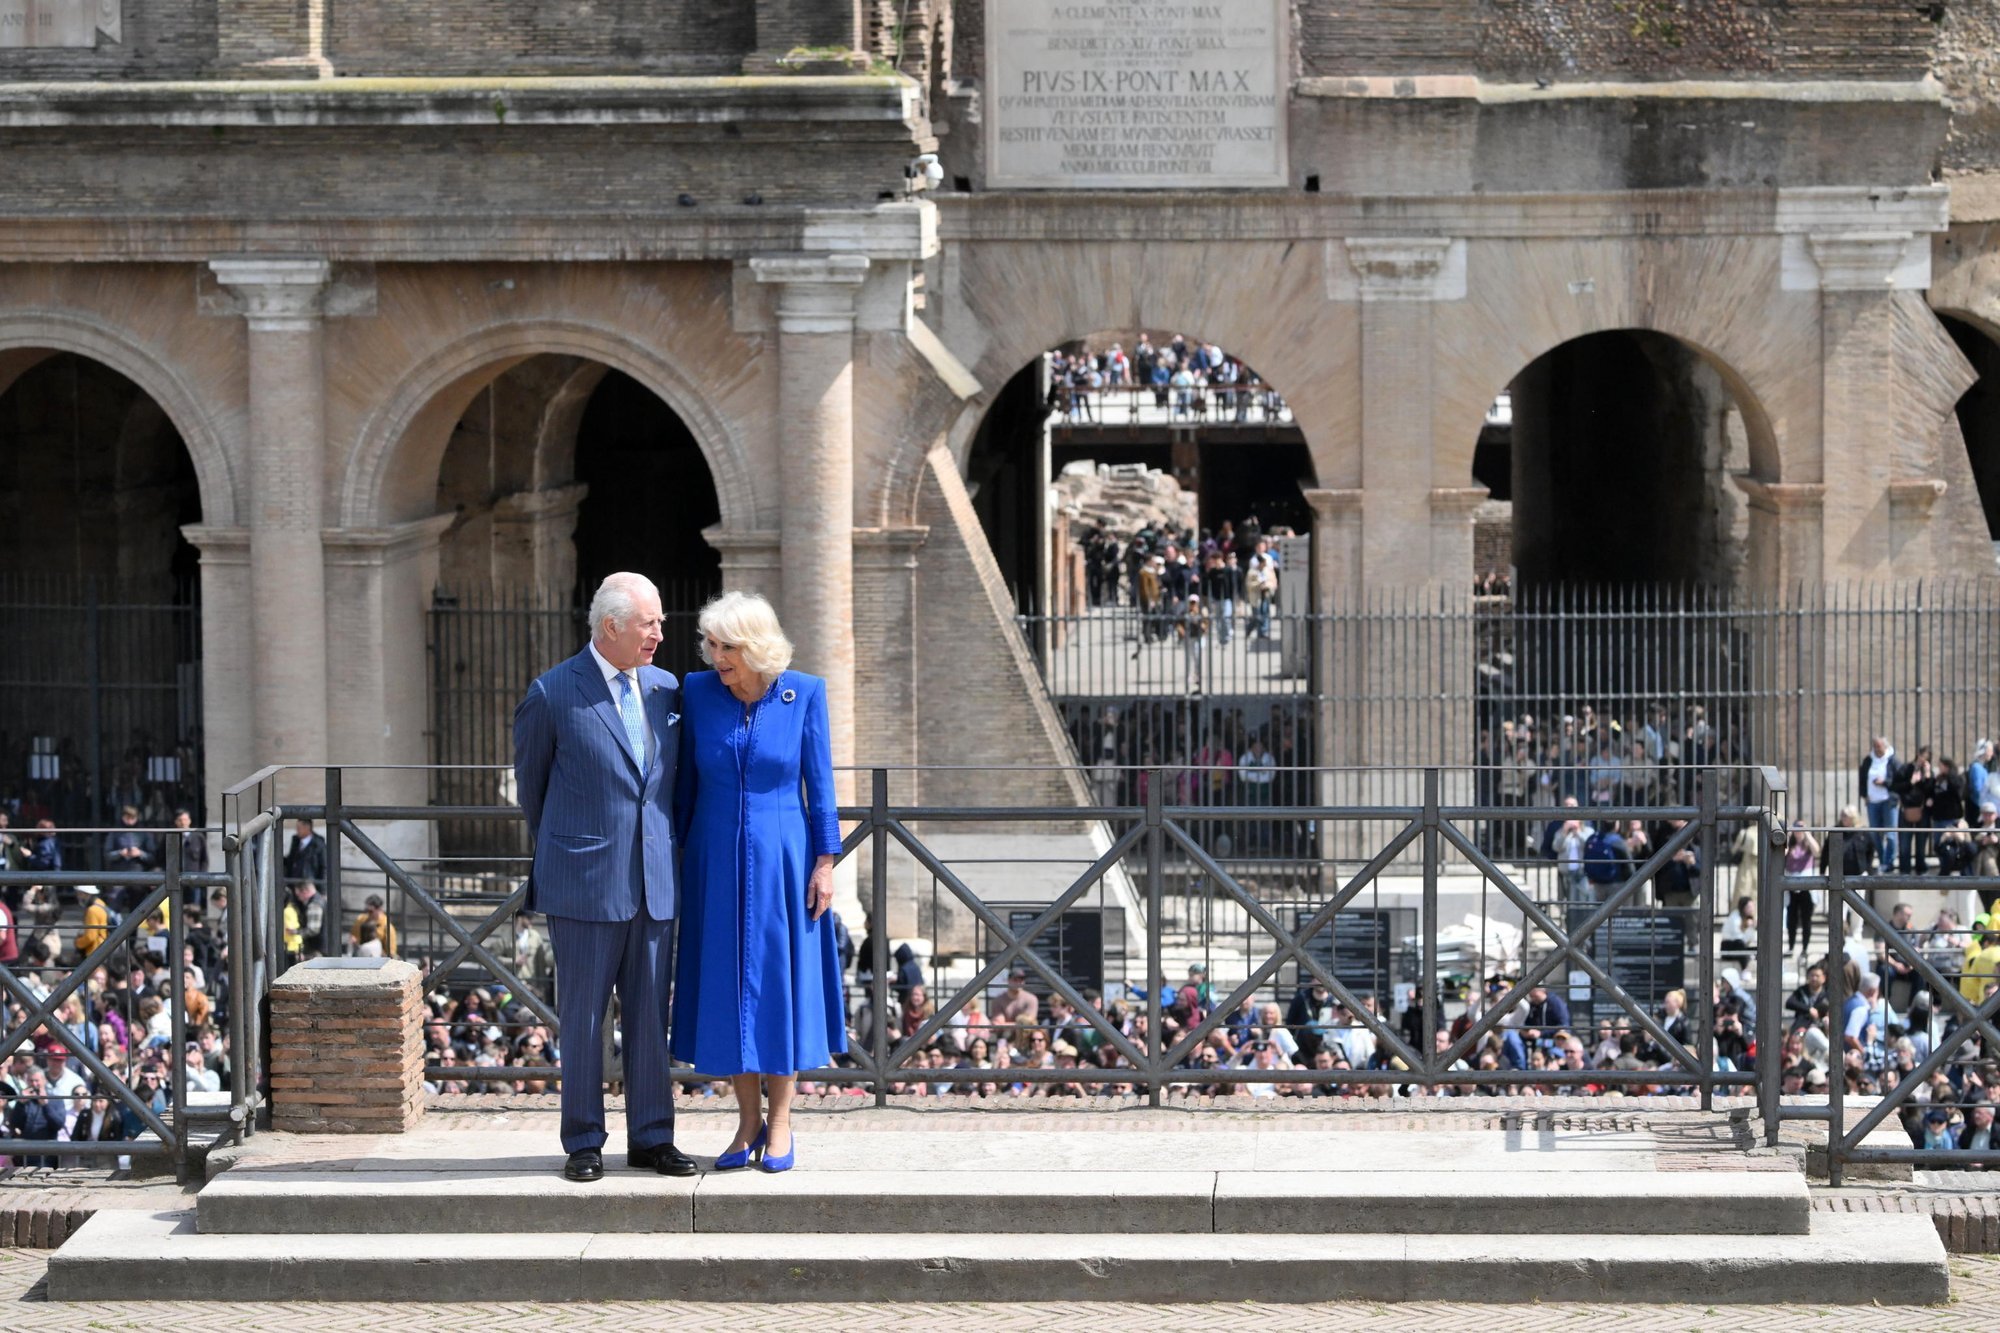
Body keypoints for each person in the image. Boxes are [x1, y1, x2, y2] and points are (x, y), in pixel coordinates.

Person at [512, 571, 694, 1184]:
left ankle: (653, 1137)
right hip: (585, 883)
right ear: (611, 626)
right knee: (585, 1020)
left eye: (660, 622)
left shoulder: (667, 689)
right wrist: (576, 850)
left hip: (655, 882)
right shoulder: (553, 692)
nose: (660, 634)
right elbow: (533, 793)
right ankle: (584, 1141)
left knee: (649, 1018)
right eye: (650, 623)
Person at [673, 590, 846, 1176]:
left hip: (784, 862)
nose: (715, 657)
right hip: (713, 859)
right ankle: (745, 1122)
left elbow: (821, 787)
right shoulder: (697, 693)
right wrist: (673, 855)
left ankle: (780, 1124)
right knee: (728, 989)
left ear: (755, 646)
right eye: (711, 645)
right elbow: (684, 787)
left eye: (726, 646)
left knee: (778, 986)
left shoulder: (805, 693)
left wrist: (825, 863)